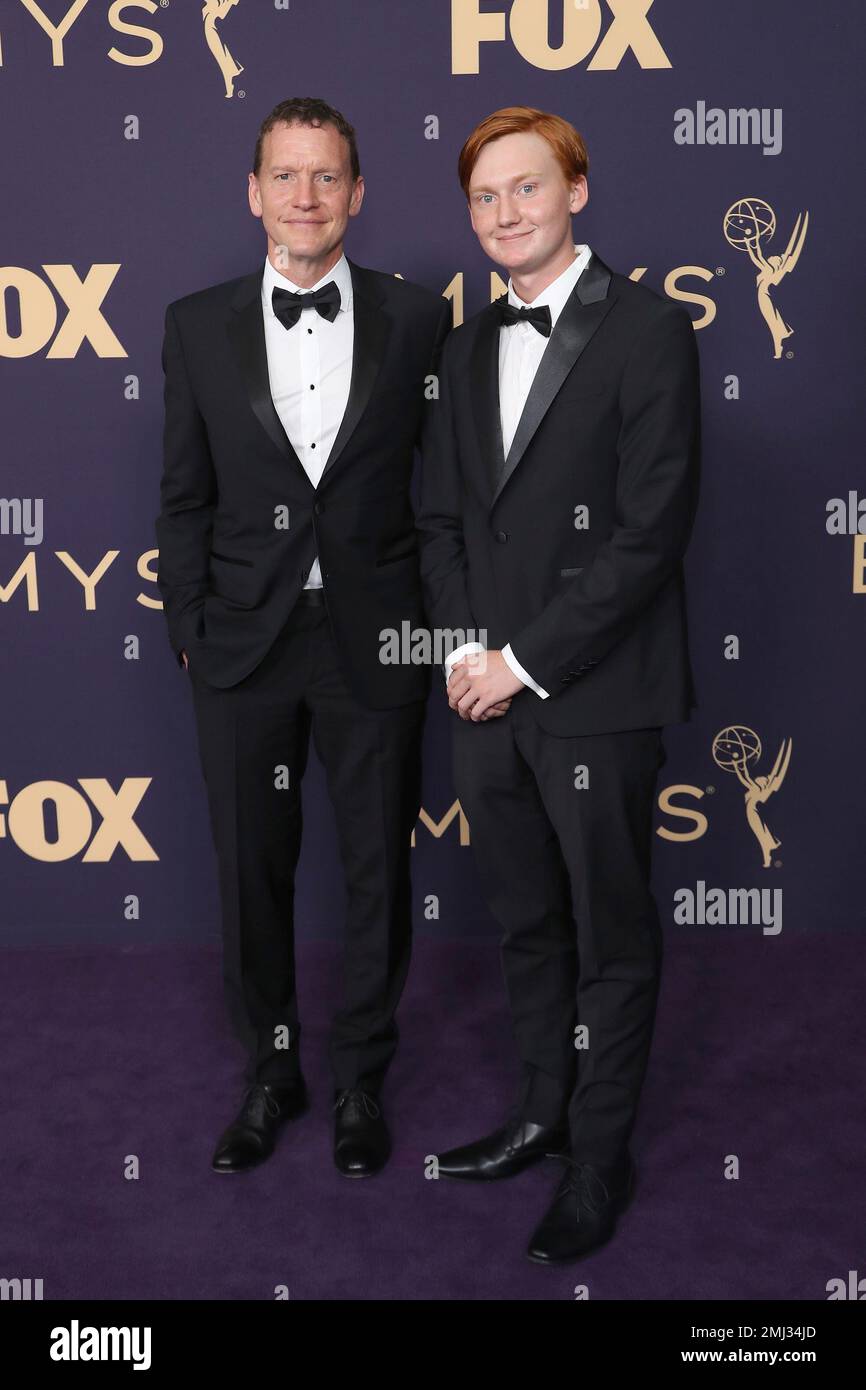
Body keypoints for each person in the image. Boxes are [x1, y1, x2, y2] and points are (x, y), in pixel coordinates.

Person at [417, 106, 701, 1261]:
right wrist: (459, 654)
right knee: (527, 923)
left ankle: (597, 1155)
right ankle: (538, 1112)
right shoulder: (461, 346)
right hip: (485, 698)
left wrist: (521, 663)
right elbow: (438, 522)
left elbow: (648, 535)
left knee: (609, 936)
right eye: (484, 197)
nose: (504, 213)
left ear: (575, 190)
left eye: (525, 189)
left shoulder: (648, 331)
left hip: (595, 692)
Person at [155, 97, 450, 1178]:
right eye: (285, 175)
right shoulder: (195, 324)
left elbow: (446, 492)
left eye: (325, 176)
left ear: (358, 193)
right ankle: (273, 1073)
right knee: (252, 872)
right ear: (253, 192)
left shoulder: (419, 321)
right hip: (240, 645)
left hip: (378, 641)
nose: (306, 196)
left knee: (377, 867)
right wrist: (190, 622)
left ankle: (362, 1080)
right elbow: (181, 496)